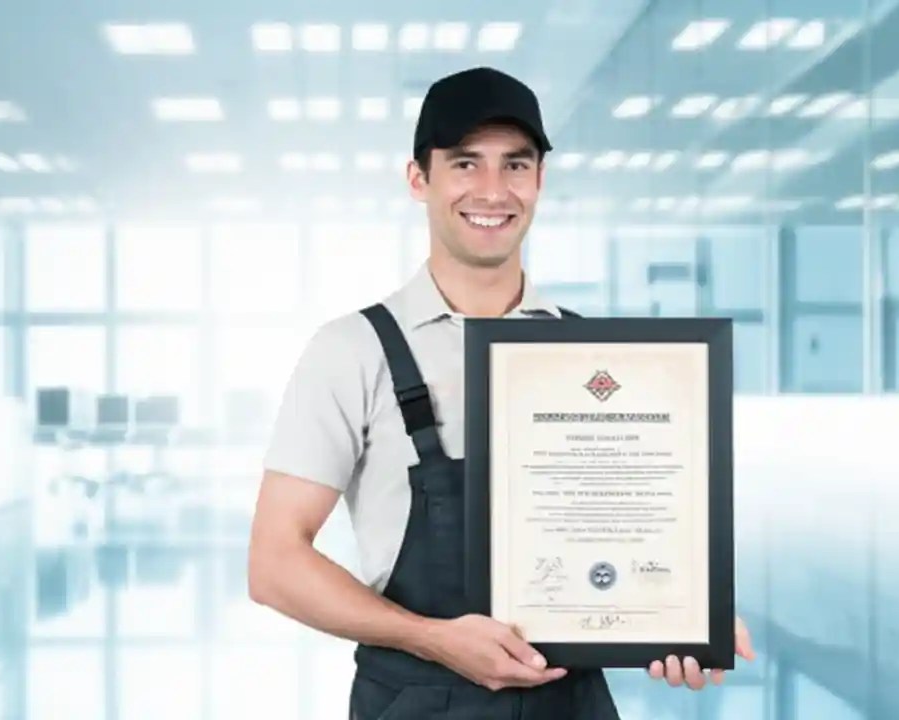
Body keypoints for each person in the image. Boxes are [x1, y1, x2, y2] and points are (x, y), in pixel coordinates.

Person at [246, 66, 756, 718]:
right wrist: (431, 639)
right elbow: (274, 562)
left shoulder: (600, 358)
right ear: (418, 179)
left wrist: (681, 620)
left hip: (572, 705)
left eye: (516, 165)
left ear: (539, 180)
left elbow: (627, 532)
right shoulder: (354, 350)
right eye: (465, 163)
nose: (493, 190)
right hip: (417, 702)